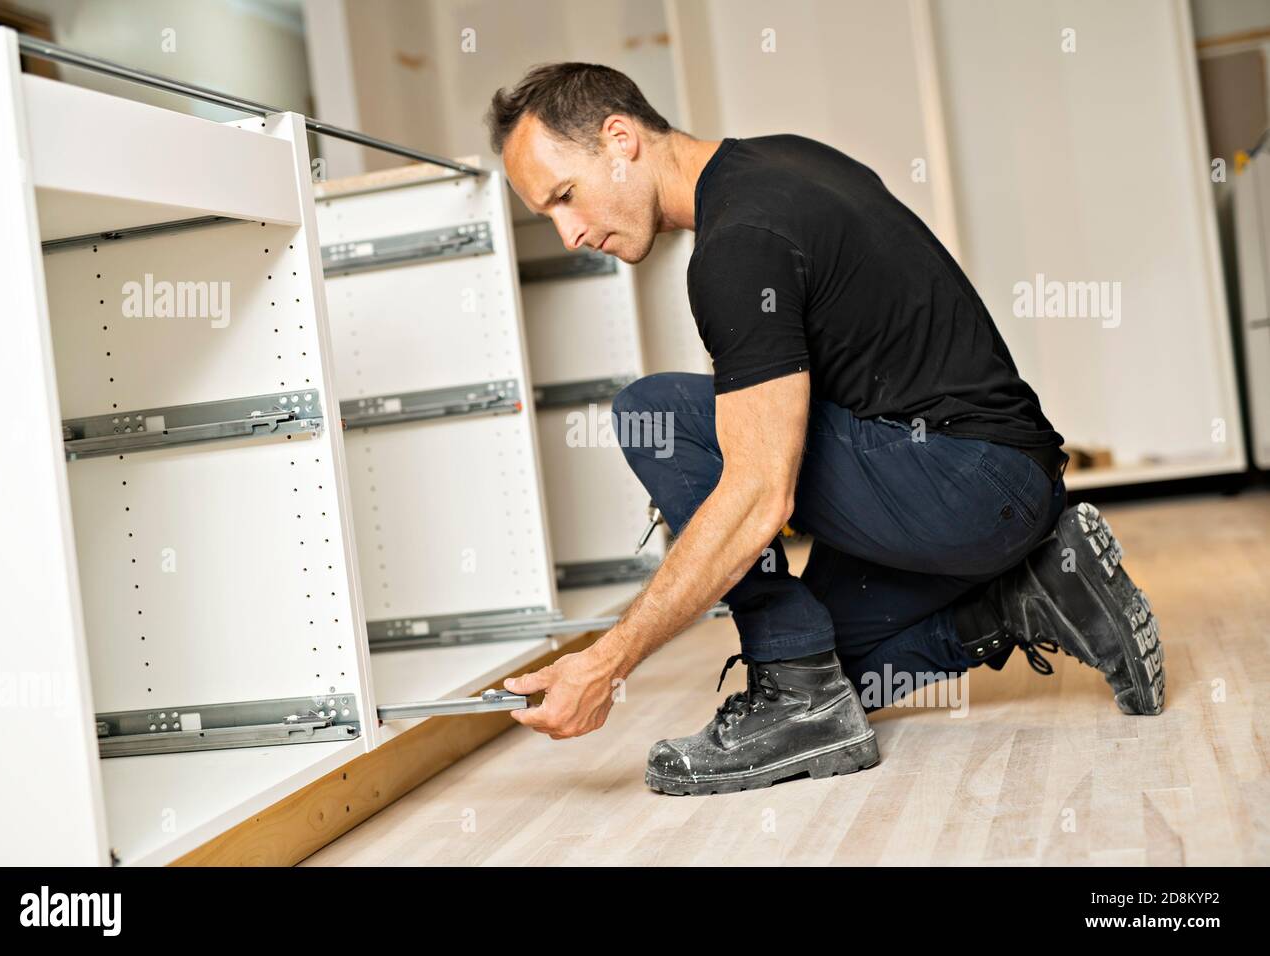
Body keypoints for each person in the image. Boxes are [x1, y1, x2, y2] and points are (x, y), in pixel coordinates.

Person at [486, 63, 1164, 796]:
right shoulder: (781, 159)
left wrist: (606, 660)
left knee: (653, 413)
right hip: (996, 484)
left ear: (620, 138)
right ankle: (1032, 590)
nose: (570, 234)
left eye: (565, 197)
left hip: (963, 482)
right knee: (839, 674)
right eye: (547, 215)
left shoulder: (738, 245)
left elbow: (758, 496)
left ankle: (794, 689)